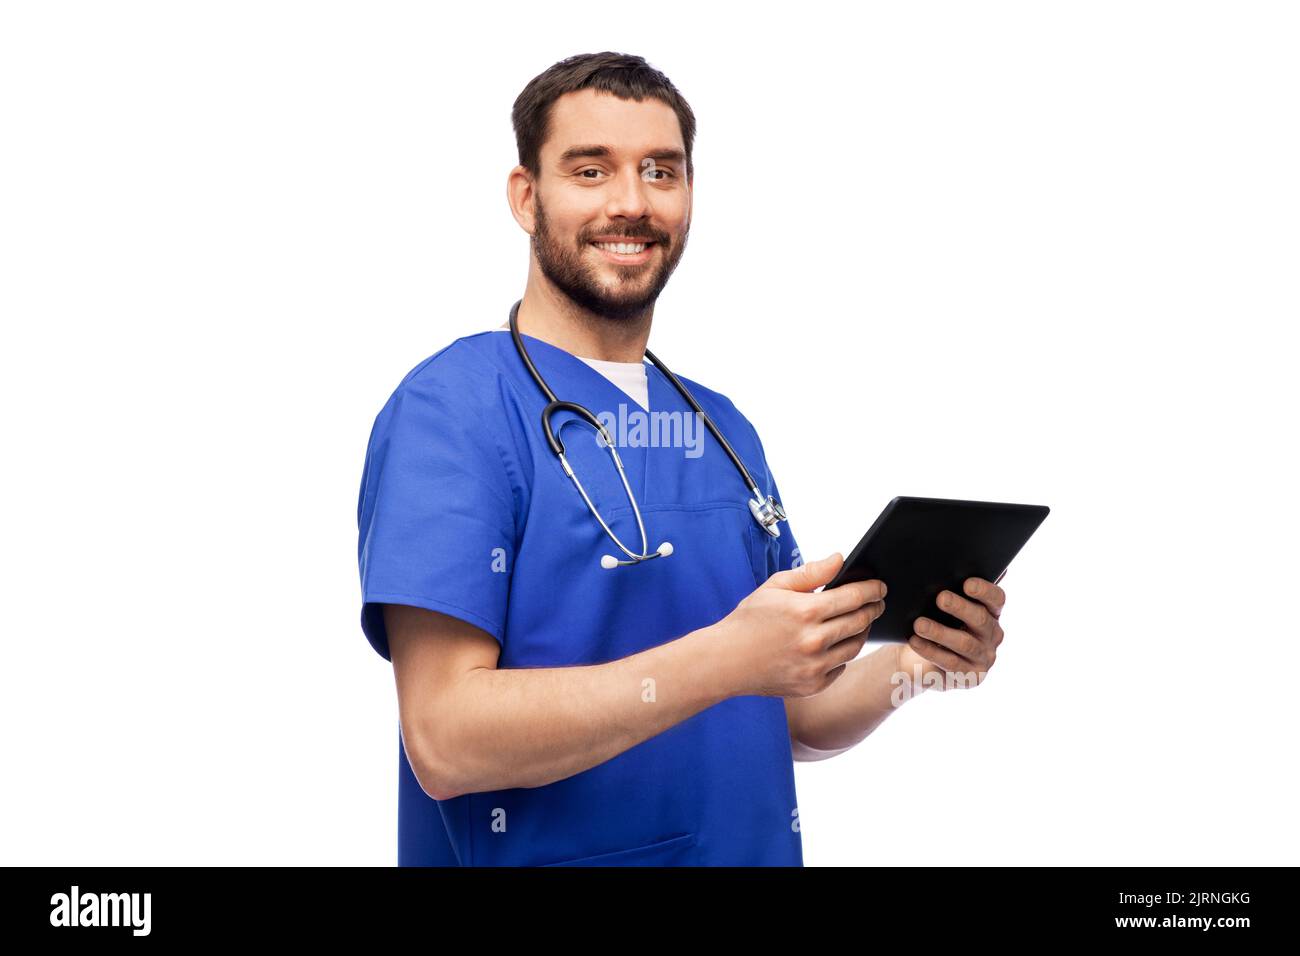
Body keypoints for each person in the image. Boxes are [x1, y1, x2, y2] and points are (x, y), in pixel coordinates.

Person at [355, 51, 1009, 866]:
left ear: (690, 195)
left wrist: (919, 663)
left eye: (660, 172)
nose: (631, 203)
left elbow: (791, 712)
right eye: (590, 171)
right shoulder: (452, 411)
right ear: (527, 197)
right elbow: (446, 741)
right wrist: (725, 657)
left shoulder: (720, 426)